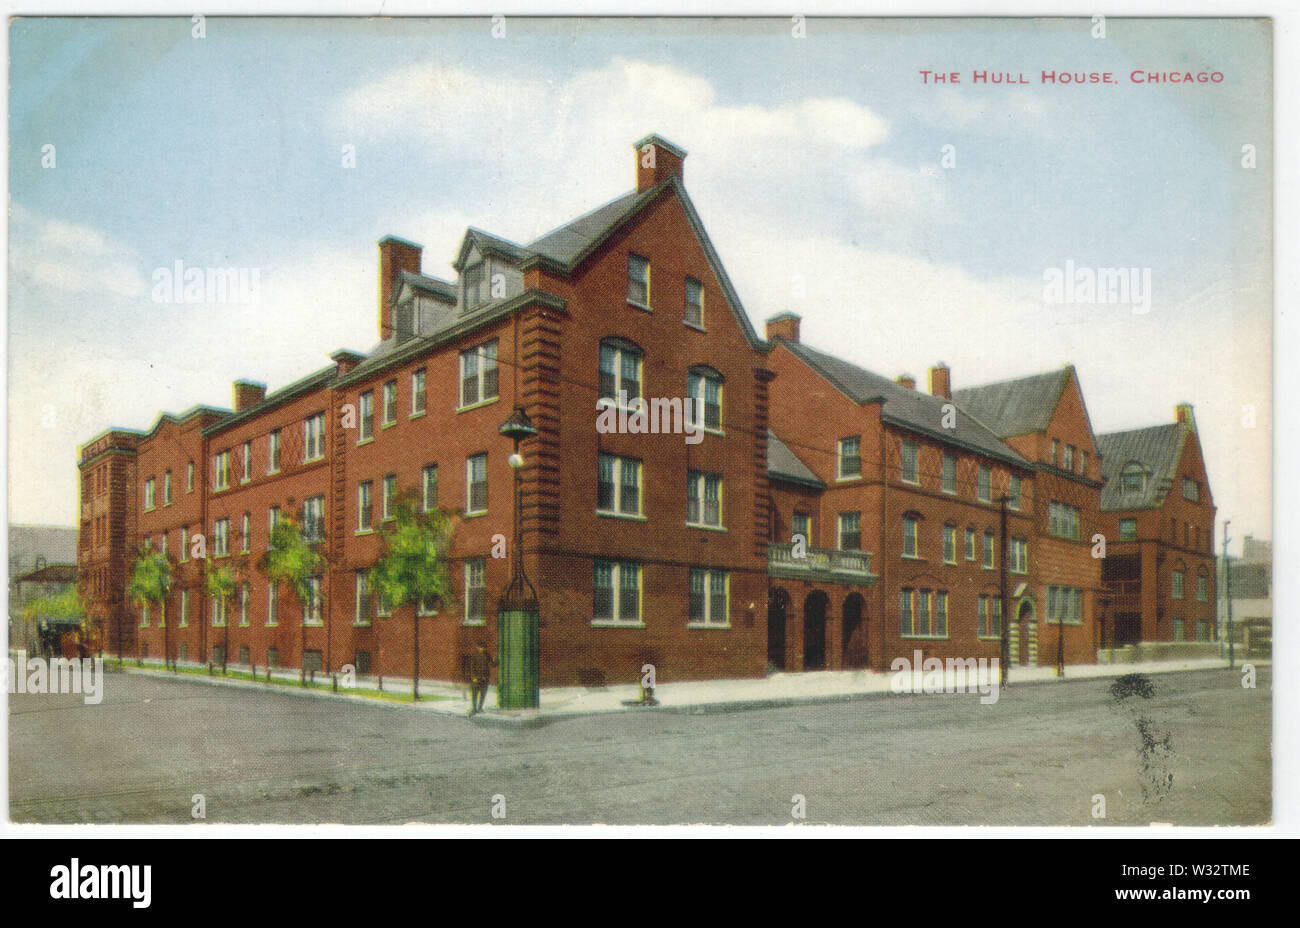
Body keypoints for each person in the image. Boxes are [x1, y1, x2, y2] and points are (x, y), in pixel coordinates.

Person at [468, 644, 496, 715]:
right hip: (476, 679)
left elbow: (492, 664)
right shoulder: (474, 655)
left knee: (483, 694)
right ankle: (474, 708)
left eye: (483, 648)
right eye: (481, 648)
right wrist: (473, 677)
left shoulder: (487, 655)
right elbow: (471, 667)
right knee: (474, 694)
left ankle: (480, 708)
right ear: (477, 647)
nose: (482, 649)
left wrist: (496, 659)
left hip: (484, 678)